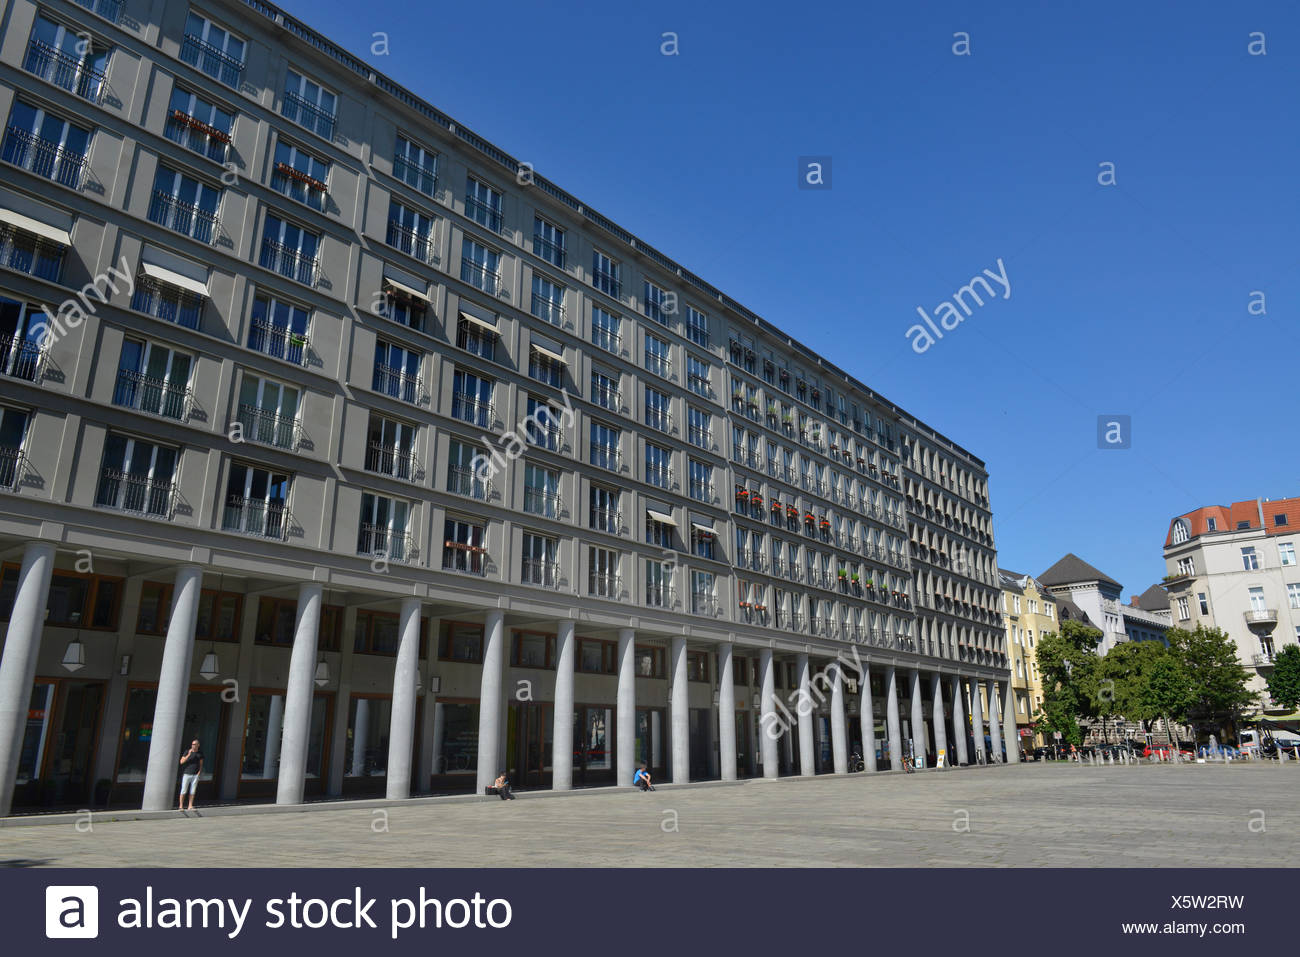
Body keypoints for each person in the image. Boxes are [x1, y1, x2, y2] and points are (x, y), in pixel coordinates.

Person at [178, 739, 203, 811]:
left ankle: (190, 805)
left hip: (195, 774)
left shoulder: (200, 753)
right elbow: (181, 762)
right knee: (184, 790)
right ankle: (181, 806)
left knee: (192, 790)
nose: (193, 746)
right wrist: (189, 754)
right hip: (187, 773)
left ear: (198, 745)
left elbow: (201, 764)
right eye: (192, 744)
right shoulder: (187, 752)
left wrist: (199, 772)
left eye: (195, 744)